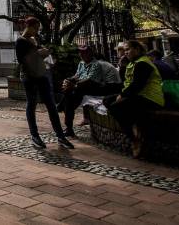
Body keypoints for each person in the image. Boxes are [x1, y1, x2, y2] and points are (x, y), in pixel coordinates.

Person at [15, 17, 74, 149]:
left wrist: (45, 52)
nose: (37, 31)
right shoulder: (20, 41)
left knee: (51, 105)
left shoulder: (34, 39)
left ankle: (60, 136)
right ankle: (35, 135)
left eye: (38, 28)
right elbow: (21, 60)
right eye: (35, 28)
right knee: (31, 104)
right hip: (29, 76)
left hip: (41, 74)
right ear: (28, 26)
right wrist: (38, 53)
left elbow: (40, 53)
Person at [104, 40, 164, 140]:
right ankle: (133, 124)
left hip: (150, 97)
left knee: (115, 106)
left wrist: (122, 95)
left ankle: (134, 138)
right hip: (139, 95)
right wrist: (122, 66)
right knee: (107, 100)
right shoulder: (132, 63)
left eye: (128, 49)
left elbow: (137, 85)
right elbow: (126, 82)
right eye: (124, 50)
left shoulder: (143, 63)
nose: (125, 53)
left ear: (137, 49)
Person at [60, 46, 122, 137]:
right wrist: (68, 80)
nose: (82, 54)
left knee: (76, 91)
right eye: (80, 52)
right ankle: (66, 110)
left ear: (91, 53)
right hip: (96, 85)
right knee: (70, 93)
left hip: (110, 86)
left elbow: (90, 80)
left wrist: (73, 85)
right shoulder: (81, 63)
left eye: (85, 52)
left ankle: (64, 108)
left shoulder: (96, 64)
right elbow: (77, 76)